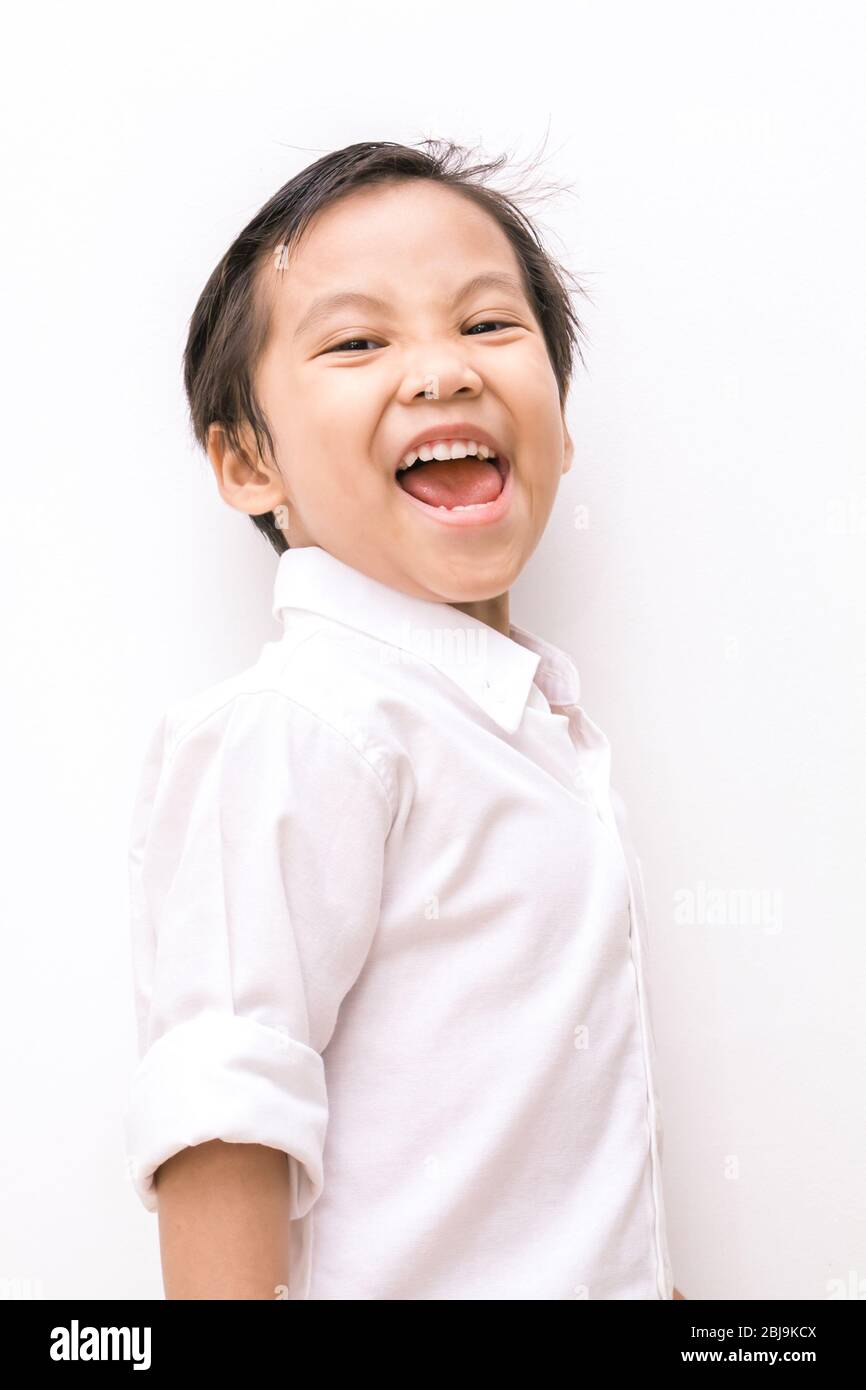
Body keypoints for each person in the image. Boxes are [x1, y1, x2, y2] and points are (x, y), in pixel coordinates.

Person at [122, 138, 684, 1300]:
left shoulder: (531, 729)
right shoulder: (301, 723)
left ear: (562, 426)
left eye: (486, 326)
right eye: (357, 341)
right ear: (245, 462)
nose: (440, 372)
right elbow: (225, 1101)